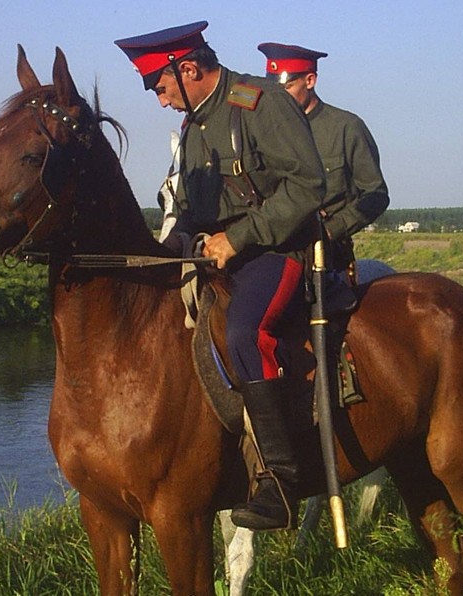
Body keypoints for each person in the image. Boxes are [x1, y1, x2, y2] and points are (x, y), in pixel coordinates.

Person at [115, 21, 327, 530]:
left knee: (244, 332)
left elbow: (308, 187)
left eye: (160, 87)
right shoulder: (193, 126)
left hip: (277, 251)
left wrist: (238, 239)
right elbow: (188, 206)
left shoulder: (259, 103)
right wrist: (162, 252)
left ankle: (279, 480)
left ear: (187, 68)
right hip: (212, 254)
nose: (161, 101)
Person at [257, 42, 389, 276]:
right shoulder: (263, 131)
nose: (279, 98)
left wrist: (332, 229)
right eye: (274, 90)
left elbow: (375, 195)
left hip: (329, 257)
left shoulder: (346, 128)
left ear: (310, 81)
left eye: (287, 87)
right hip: (273, 252)